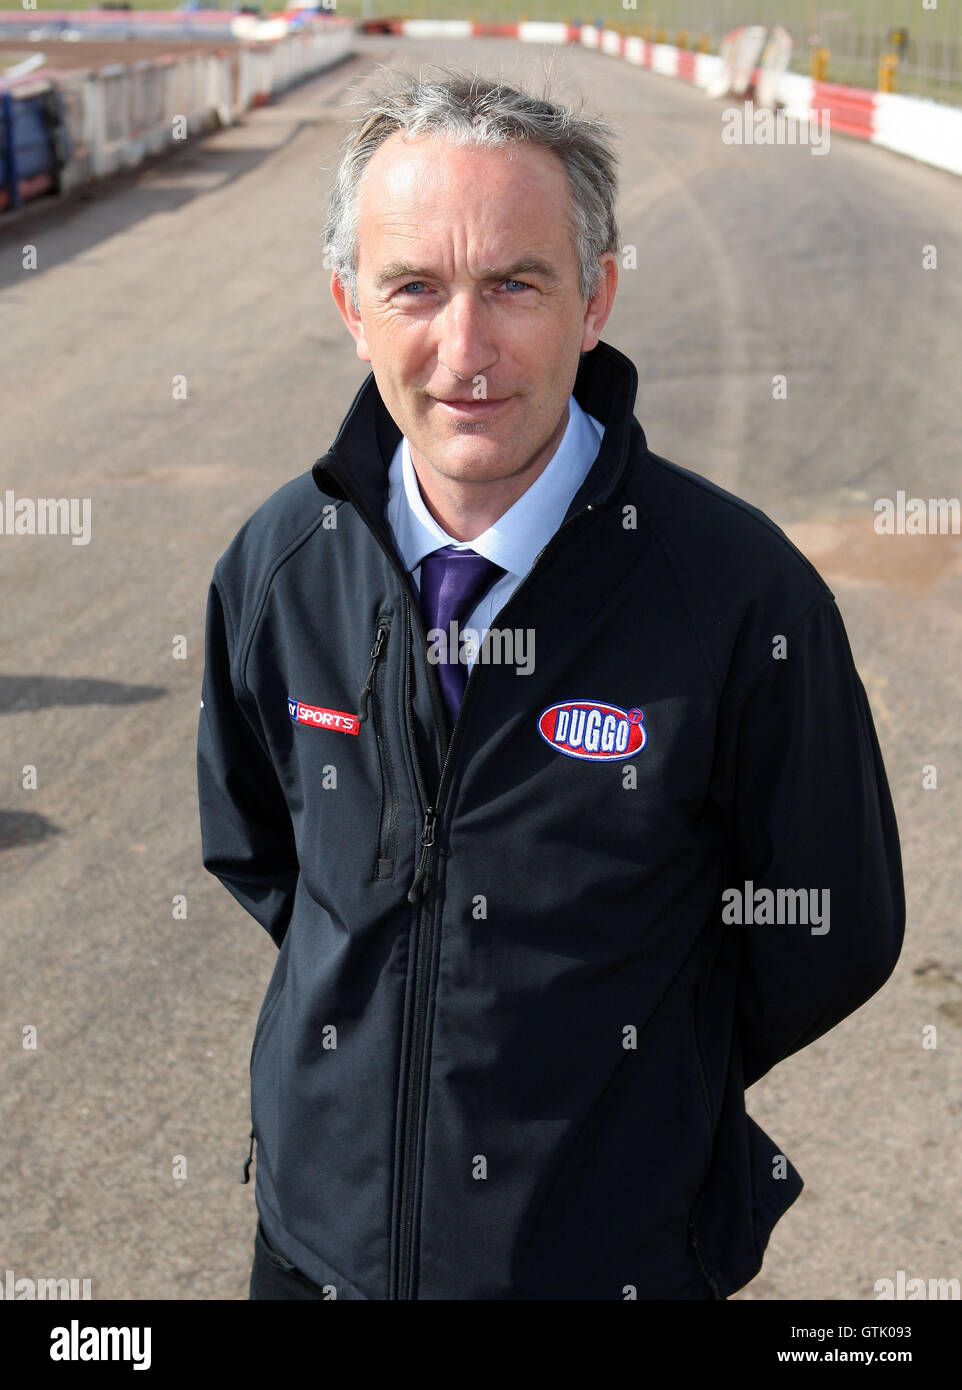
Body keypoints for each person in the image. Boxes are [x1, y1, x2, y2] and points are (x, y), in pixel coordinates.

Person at [196, 67, 905, 1301]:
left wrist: (634, 1080)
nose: (463, 351)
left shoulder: (740, 596)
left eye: (513, 284)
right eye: (412, 287)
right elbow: (263, 852)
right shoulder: (276, 566)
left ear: (596, 296)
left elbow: (826, 929)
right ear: (349, 307)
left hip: (607, 1267)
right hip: (314, 1255)